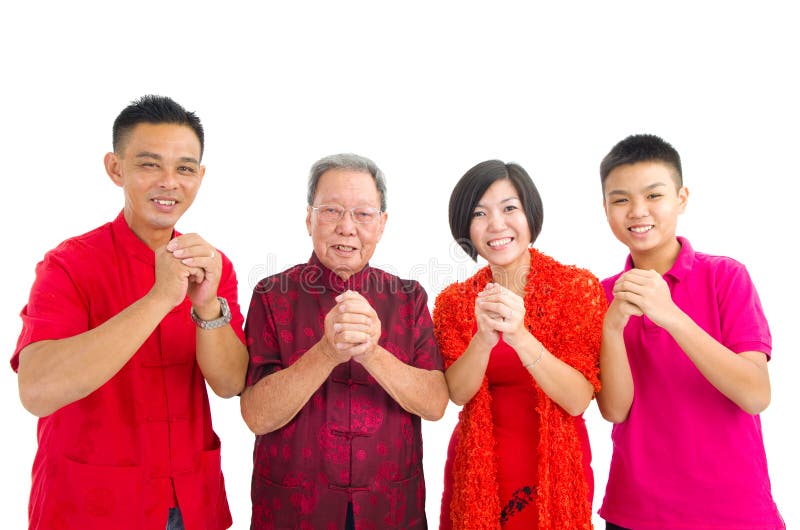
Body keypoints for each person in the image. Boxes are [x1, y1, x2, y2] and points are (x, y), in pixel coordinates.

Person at [12, 95, 249, 530]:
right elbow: (37, 391)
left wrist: (206, 306)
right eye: (149, 164)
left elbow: (231, 383)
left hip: (193, 503)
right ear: (115, 168)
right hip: (92, 507)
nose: (169, 182)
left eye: (184, 168)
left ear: (200, 176)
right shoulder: (69, 264)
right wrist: (159, 299)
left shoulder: (213, 266)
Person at [240, 153, 449, 529]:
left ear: (382, 224)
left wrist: (370, 352)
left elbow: (435, 405)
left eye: (364, 214)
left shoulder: (407, 297)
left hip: (389, 507)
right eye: (331, 211)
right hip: (295, 508)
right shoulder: (272, 294)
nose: (347, 227)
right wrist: (324, 352)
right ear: (309, 219)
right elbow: (256, 415)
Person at [595, 134, 784, 529]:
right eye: (621, 200)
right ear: (605, 209)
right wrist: (611, 329)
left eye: (653, 195)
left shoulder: (726, 277)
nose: (637, 211)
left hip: (733, 511)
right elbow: (614, 410)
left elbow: (754, 394)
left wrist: (671, 315)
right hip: (635, 512)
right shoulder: (601, 295)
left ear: (681, 198)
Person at [434, 160, 605, 530]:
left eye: (510, 208)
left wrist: (520, 336)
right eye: (480, 213)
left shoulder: (577, 289)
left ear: (531, 214)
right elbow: (457, 394)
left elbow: (577, 399)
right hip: (477, 476)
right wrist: (482, 339)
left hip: (555, 476)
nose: (496, 225)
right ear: (465, 226)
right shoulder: (455, 302)